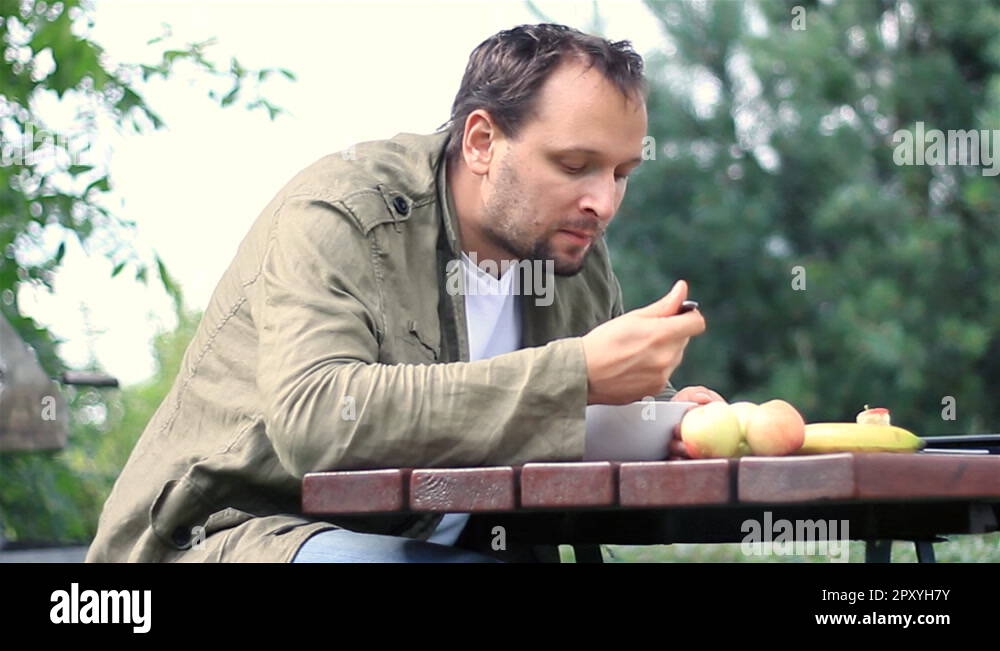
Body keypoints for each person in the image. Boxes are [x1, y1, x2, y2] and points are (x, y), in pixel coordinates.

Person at [85, 23, 723, 564]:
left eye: (621, 174)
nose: (603, 201)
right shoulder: (343, 213)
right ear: (481, 142)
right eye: (575, 165)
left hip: (449, 539)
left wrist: (668, 419)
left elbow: (580, 412)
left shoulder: (567, 242)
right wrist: (576, 372)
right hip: (230, 532)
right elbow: (316, 419)